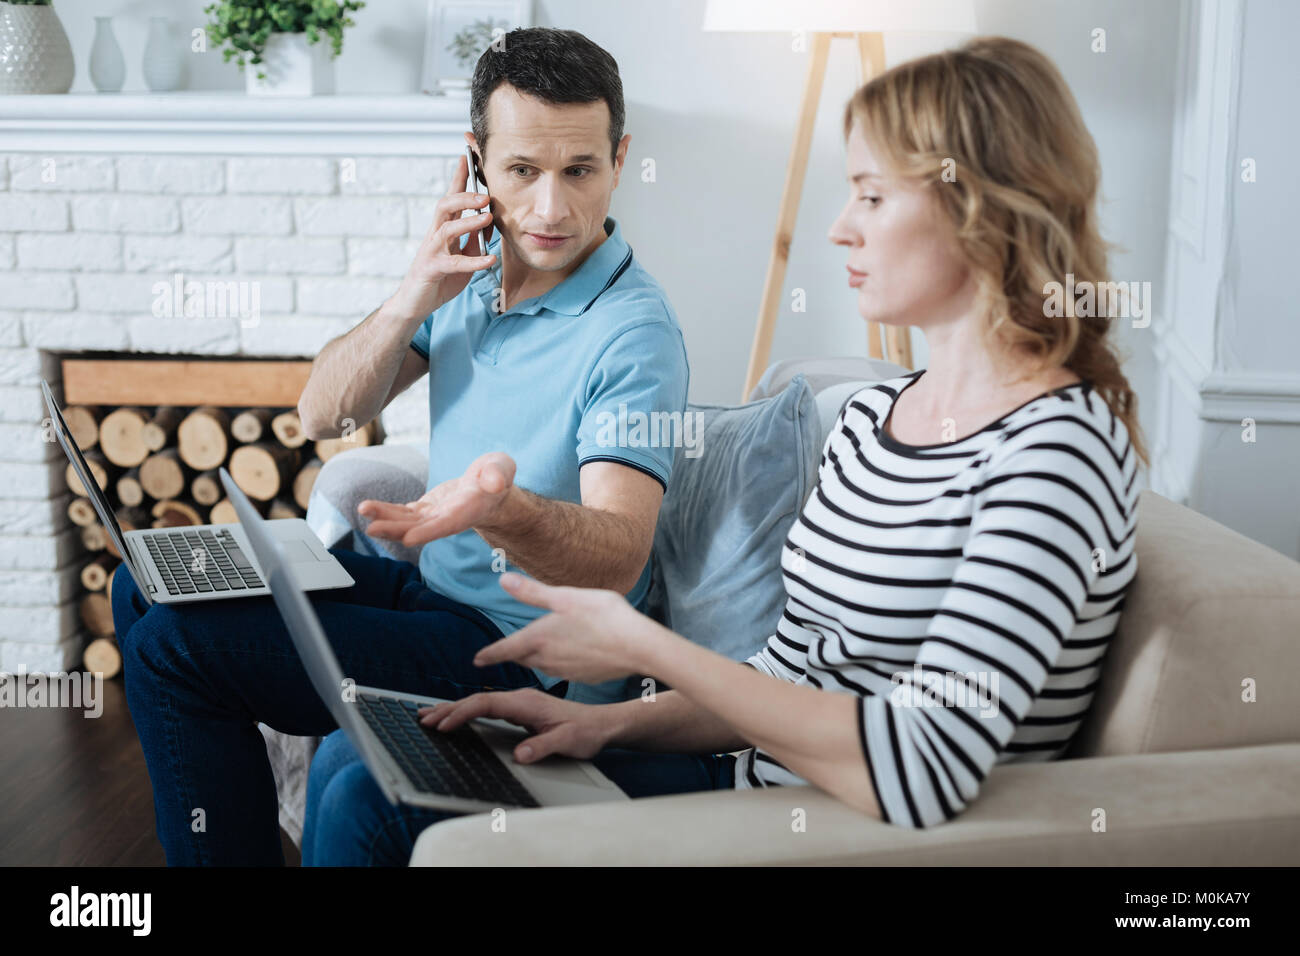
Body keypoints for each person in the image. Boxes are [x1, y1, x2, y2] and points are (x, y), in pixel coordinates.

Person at [303, 35, 1150, 866]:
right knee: (360, 761)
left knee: (370, 802)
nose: (839, 229)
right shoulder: (876, 415)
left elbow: (924, 767)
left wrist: (641, 649)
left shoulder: (1057, 453)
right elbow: (786, 675)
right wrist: (600, 723)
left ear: (983, 206)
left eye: (871, 196)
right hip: (750, 778)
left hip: (839, 827)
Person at [111, 27, 689, 866]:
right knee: (148, 584)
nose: (552, 209)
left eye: (580, 170)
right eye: (523, 171)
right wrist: (413, 297)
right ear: (477, 162)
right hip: (432, 601)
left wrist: (506, 510)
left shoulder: (632, 335)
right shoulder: (472, 278)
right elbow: (321, 412)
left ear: (620, 156)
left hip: (525, 657)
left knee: (176, 651)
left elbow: (618, 558)